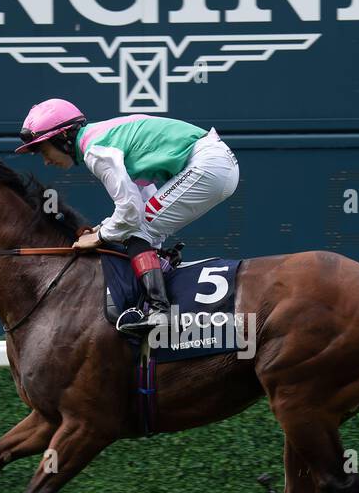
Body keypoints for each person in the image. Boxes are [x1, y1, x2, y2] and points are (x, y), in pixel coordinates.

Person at [14, 99, 240, 337]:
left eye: (43, 150)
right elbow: (140, 203)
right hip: (215, 163)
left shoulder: (96, 150)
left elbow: (130, 212)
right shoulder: (101, 138)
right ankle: (157, 284)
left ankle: (159, 310)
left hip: (209, 165)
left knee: (136, 232)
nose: (46, 161)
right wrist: (106, 228)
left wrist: (99, 236)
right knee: (144, 232)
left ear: (63, 138)